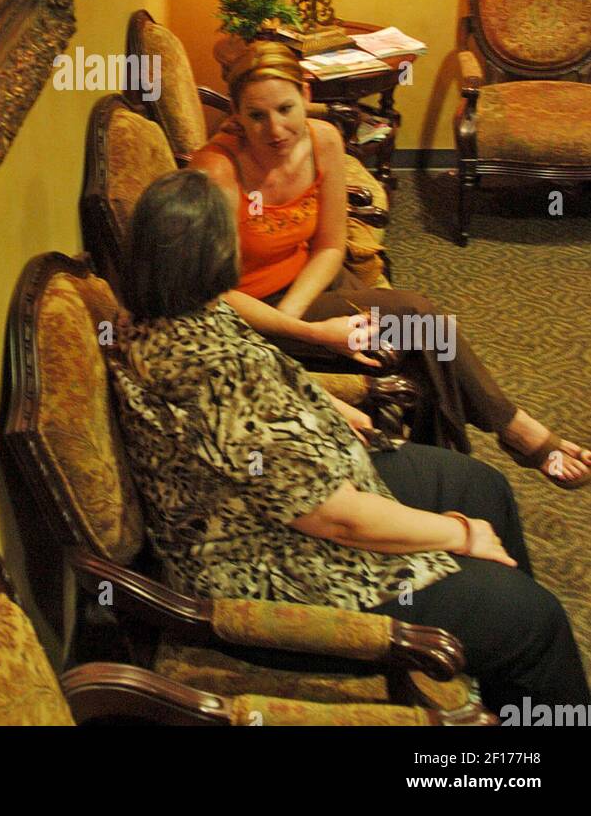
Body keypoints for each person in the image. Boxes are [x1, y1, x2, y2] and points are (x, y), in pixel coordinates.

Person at [107, 167, 590, 715]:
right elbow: (331, 518)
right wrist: (459, 533)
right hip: (272, 568)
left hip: (283, 496)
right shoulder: (211, 373)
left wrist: (330, 407)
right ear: (212, 253)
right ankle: (513, 646)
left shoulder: (167, 315)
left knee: (480, 484)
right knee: (534, 618)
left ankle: (500, 673)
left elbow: (260, 389)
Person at [187, 40, 591, 486]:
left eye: (285, 108)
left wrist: (295, 310)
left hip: (306, 284)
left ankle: (448, 467)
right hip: (252, 309)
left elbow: (328, 246)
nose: (276, 129)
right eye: (256, 115)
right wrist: (303, 330)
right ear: (237, 115)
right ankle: (515, 432)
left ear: (305, 93)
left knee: (417, 348)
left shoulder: (323, 139)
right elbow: (212, 295)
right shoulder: (218, 171)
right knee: (417, 319)